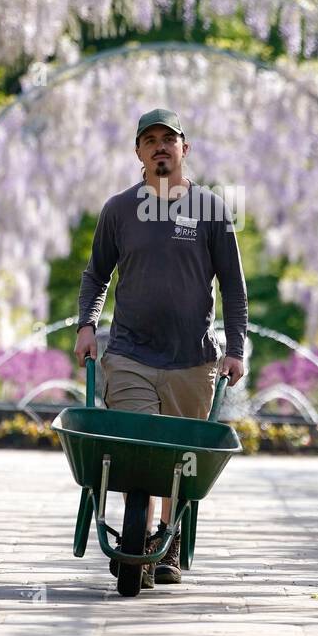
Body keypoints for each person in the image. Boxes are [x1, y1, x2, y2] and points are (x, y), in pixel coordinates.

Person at [74, 107, 247, 587]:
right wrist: (88, 325)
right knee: (139, 449)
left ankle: (166, 543)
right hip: (129, 353)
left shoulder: (211, 209)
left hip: (192, 358)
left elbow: (233, 288)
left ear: (184, 149)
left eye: (168, 139)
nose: (160, 147)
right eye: (149, 140)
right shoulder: (118, 210)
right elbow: (96, 275)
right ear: (138, 153)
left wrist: (236, 348)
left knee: (179, 458)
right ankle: (140, 540)